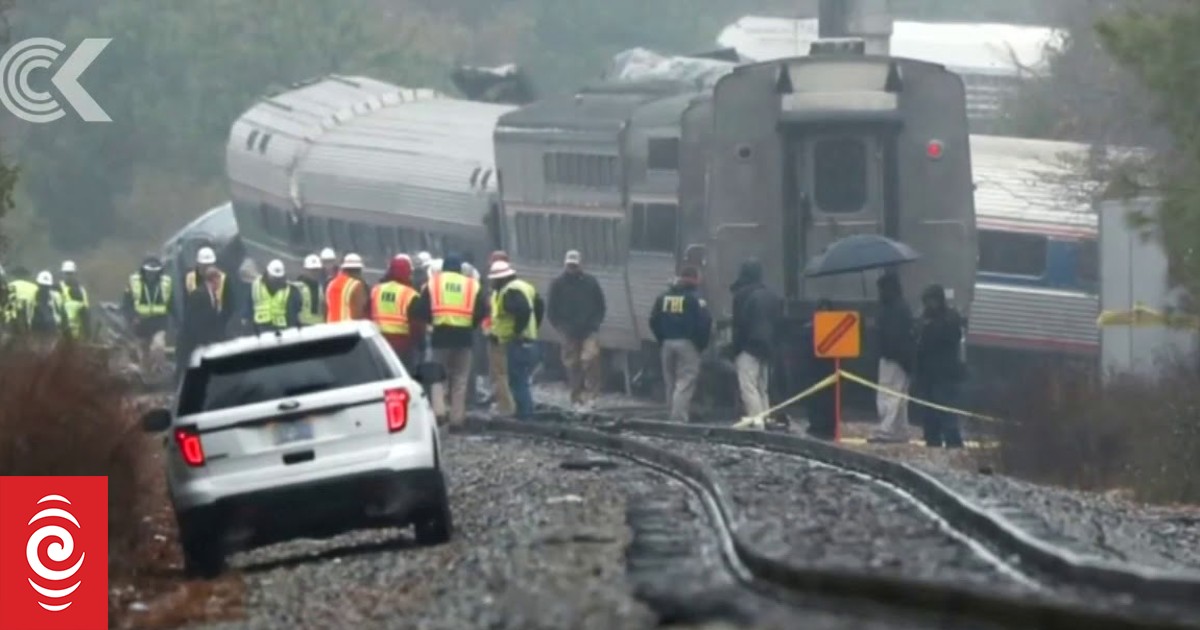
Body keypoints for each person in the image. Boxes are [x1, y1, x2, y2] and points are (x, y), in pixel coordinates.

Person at [408, 253, 487, 427]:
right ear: (460, 269)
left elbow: (420, 310)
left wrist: (433, 321)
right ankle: (457, 418)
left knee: (437, 376)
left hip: (440, 336)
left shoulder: (434, 283)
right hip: (464, 337)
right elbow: (483, 309)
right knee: (460, 378)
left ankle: (439, 412)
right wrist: (471, 324)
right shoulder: (472, 285)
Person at [649, 266, 712, 423]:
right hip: (687, 344)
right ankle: (678, 419)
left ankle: (671, 414)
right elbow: (704, 323)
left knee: (670, 382)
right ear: (695, 278)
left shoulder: (663, 297)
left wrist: (662, 339)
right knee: (685, 381)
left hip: (667, 344)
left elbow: (653, 320)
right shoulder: (695, 299)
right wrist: (700, 345)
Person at [548, 249, 606, 409]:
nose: (572, 268)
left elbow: (600, 305)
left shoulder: (591, 282)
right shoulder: (557, 284)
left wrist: (595, 324)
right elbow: (551, 309)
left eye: (574, 265)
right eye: (569, 265)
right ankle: (576, 397)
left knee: (590, 359)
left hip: (589, 330)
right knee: (572, 364)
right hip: (568, 331)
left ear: (581, 265)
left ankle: (592, 395)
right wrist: (560, 327)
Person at [487, 260, 543, 420]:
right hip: (529, 340)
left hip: (516, 342)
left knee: (517, 380)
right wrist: (534, 327)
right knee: (522, 379)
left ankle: (525, 416)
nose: (492, 281)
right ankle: (526, 413)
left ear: (500, 278)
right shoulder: (524, 286)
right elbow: (539, 307)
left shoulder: (509, 292)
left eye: (493, 278)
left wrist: (518, 331)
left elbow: (523, 310)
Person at [914, 284, 967, 449]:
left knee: (946, 410)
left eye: (932, 301)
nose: (930, 305)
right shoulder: (925, 318)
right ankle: (932, 441)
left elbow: (947, 336)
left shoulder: (950, 318)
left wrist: (928, 329)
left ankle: (953, 443)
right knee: (929, 412)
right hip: (927, 373)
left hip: (944, 373)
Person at [729, 259, 783, 420]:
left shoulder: (741, 295)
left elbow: (739, 324)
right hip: (768, 347)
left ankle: (757, 422)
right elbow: (779, 322)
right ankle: (765, 418)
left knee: (748, 386)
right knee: (762, 387)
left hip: (748, 346)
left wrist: (735, 349)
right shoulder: (771, 295)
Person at [871, 272, 916, 443]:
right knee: (900, 395)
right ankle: (900, 430)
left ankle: (887, 429)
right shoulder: (901, 307)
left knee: (888, 394)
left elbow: (893, 336)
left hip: (892, 358)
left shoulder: (892, 309)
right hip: (899, 358)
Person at [371, 254, 422, 372]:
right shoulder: (410, 294)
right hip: (403, 344)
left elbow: (367, 314)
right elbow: (416, 325)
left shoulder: (376, 290)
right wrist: (417, 342)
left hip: (379, 341)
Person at [177, 266, 228, 381]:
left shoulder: (212, 296)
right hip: (191, 339)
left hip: (203, 339)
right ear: (213, 280)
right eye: (218, 280)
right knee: (185, 367)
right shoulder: (199, 294)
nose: (220, 284)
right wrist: (201, 339)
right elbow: (193, 320)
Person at [122, 255, 173, 366]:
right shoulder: (134, 282)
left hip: (159, 322)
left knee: (158, 348)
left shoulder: (166, 283)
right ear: (144, 270)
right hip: (141, 322)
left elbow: (172, 304)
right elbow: (126, 304)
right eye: (149, 272)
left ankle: (160, 370)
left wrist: (174, 321)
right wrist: (132, 317)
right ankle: (146, 375)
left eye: (155, 272)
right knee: (143, 354)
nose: (151, 275)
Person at [482, 250, 515, 415]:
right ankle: (503, 400)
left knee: (499, 373)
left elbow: (492, 313)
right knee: (504, 372)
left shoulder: (500, 291)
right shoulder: (511, 288)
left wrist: (489, 330)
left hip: (498, 336)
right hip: (504, 335)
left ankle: (505, 406)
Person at [800, 300, 837, 440]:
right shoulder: (811, 328)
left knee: (826, 399)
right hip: (816, 368)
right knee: (816, 398)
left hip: (826, 368)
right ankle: (818, 424)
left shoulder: (814, 328)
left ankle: (826, 426)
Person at [182, 247, 233, 340]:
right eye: (204, 265)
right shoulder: (189, 278)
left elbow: (228, 306)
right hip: (194, 327)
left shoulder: (223, 278)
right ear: (198, 264)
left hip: (217, 326)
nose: (207, 268)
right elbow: (185, 304)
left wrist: (220, 324)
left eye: (209, 265)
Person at [251, 259, 301, 333]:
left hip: (282, 329)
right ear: (267, 272)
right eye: (274, 277)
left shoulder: (291, 289)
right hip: (260, 327)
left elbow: (295, 310)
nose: (276, 279)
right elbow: (249, 304)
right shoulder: (256, 285)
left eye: (278, 277)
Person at [325, 253, 370, 322]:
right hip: (348, 328)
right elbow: (359, 310)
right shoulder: (357, 285)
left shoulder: (331, 284)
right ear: (358, 270)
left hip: (331, 327)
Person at [29, 271, 68, 342]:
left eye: (46, 286)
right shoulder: (32, 296)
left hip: (51, 330)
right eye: (42, 286)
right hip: (36, 330)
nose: (44, 288)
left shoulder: (56, 297)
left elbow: (63, 314)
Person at [58, 260, 91, 342]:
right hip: (62, 333)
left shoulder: (81, 290)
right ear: (63, 274)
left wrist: (87, 333)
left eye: (70, 273)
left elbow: (86, 313)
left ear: (75, 274)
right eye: (67, 273)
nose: (68, 276)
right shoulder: (58, 287)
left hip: (78, 334)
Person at [3, 266, 36, 334]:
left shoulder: (10, 285)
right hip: (31, 320)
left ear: (14, 275)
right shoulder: (34, 287)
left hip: (12, 321)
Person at [294, 254, 325, 325]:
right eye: (312, 270)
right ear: (305, 270)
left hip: (319, 328)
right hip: (302, 328)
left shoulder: (320, 287)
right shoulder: (297, 287)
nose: (315, 273)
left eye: (317, 270)